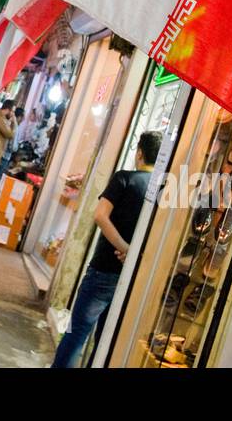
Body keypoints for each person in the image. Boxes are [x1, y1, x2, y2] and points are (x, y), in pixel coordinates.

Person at [52, 131, 161, 367]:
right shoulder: (162, 190)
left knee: (76, 332)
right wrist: (135, 255)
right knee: (106, 342)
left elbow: (100, 215)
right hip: (131, 276)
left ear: (139, 153)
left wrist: (125, 248)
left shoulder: (125, 178)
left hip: (103, 270)